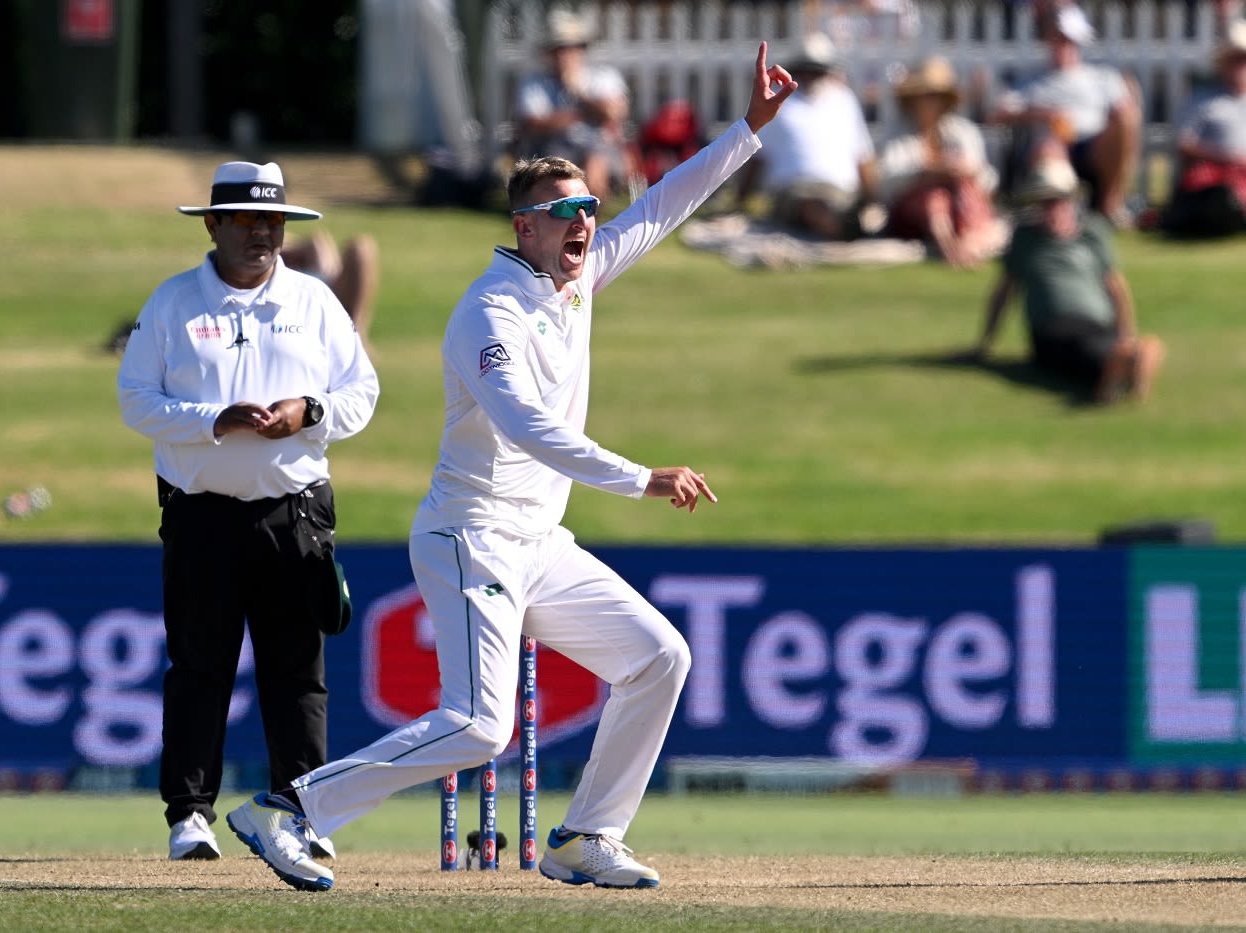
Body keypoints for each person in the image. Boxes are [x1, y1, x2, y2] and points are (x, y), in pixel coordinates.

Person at [223, 43, 797, 894]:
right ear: (522, 226)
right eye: (563, 210)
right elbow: (527, 428)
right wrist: (641, 477)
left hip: (540, 541)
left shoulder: (579, 276)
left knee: (659, 657)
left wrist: (748, 128)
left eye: (589, 207)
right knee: (480, 725)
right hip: (471, 536)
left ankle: (584, 835)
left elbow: (669, 202)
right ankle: (292, 807)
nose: (584, 222)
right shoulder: (486, 313)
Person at [116, 161, 380, 862]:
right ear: (213, 225)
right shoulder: (174, 302)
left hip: (293, 510)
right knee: (200, 664)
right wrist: (215, 419)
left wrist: (308, 411)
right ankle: (189, 815)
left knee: (297, 668)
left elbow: (362, 392)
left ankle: (299, 810)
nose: (263, 233)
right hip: (201, 510)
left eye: (273, 221)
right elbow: (135, 399)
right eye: (247, 220)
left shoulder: (313, 301)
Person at [966, 158, 1164, 404]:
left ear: (1071, 201)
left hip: (1097, 319)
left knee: (1092, 347)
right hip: (1052, 323)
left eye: (1057, 201)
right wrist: (987, 340)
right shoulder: (1025, 238)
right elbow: (1005, 291)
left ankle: (1124, 364)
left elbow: (1115, 287)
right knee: (1074, 352)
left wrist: (1127, 332)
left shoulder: (1093, 232)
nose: (1051, 209)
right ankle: (1125, 366)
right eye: (1044, 202)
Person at [991, 4, 1142, 226]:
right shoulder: (1031, 80)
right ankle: (1053, 214)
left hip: (1095, 147)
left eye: (1067, 38)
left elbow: (1125, 111)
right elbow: (998, 114)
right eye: (1056, 37)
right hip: (1052, 146)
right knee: (1049, 146)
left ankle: (1110, 204)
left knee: (1127, 121)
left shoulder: (1103, 77)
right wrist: (1043, 115)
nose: (1061, 44)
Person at [735, 32, 878, 240]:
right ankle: (836, 229)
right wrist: (741, 199)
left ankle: (839, 225)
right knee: (809, 205)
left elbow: (863, 157)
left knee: (832, 205)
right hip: (793, 191)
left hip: (838, 191)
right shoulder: (779, 105)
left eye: (816, 72)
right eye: (807, 71)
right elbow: (758, 158)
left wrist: (873, 202)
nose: (811, 77)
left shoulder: (845, 100)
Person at [878, 56, 1004, 268]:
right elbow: (887, 184)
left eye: (935, 95)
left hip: (961, 210)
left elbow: (988, 181)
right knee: (935, 200)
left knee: (964, 190)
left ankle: (968, 244)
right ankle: (952, 251)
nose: (929, 101)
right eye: (924, 95)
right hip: (911, 217)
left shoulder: (964, 132)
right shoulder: (899, 136)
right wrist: (926, 174)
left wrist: (966, 171)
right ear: (913, 99)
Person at [512, 8, 635, 202]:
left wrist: (577, 92)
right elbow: (534, 123)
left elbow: (614, 112)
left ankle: (591, 216)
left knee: (596, 160)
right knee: (565, 164)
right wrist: (583, 114)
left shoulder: (602, 76)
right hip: (552, 148)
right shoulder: (535, 81)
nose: (564, 55)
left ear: (581, 49)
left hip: (600, 148)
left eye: (570, 47)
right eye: (558, 48)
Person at [1159, 19, 1246, 237]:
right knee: (1223, 195)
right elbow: (1184, 145)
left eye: (1243, 59)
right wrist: (1227, 159)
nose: (1240, 66)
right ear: (1223, 63)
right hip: (1218, 176)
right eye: (1234, 60)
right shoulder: (1202, 99)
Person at [279, 230, 379, 340]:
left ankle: (357, 331)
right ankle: (356, 335)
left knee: (361, 248)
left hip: (322, 283)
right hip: (299, 294)